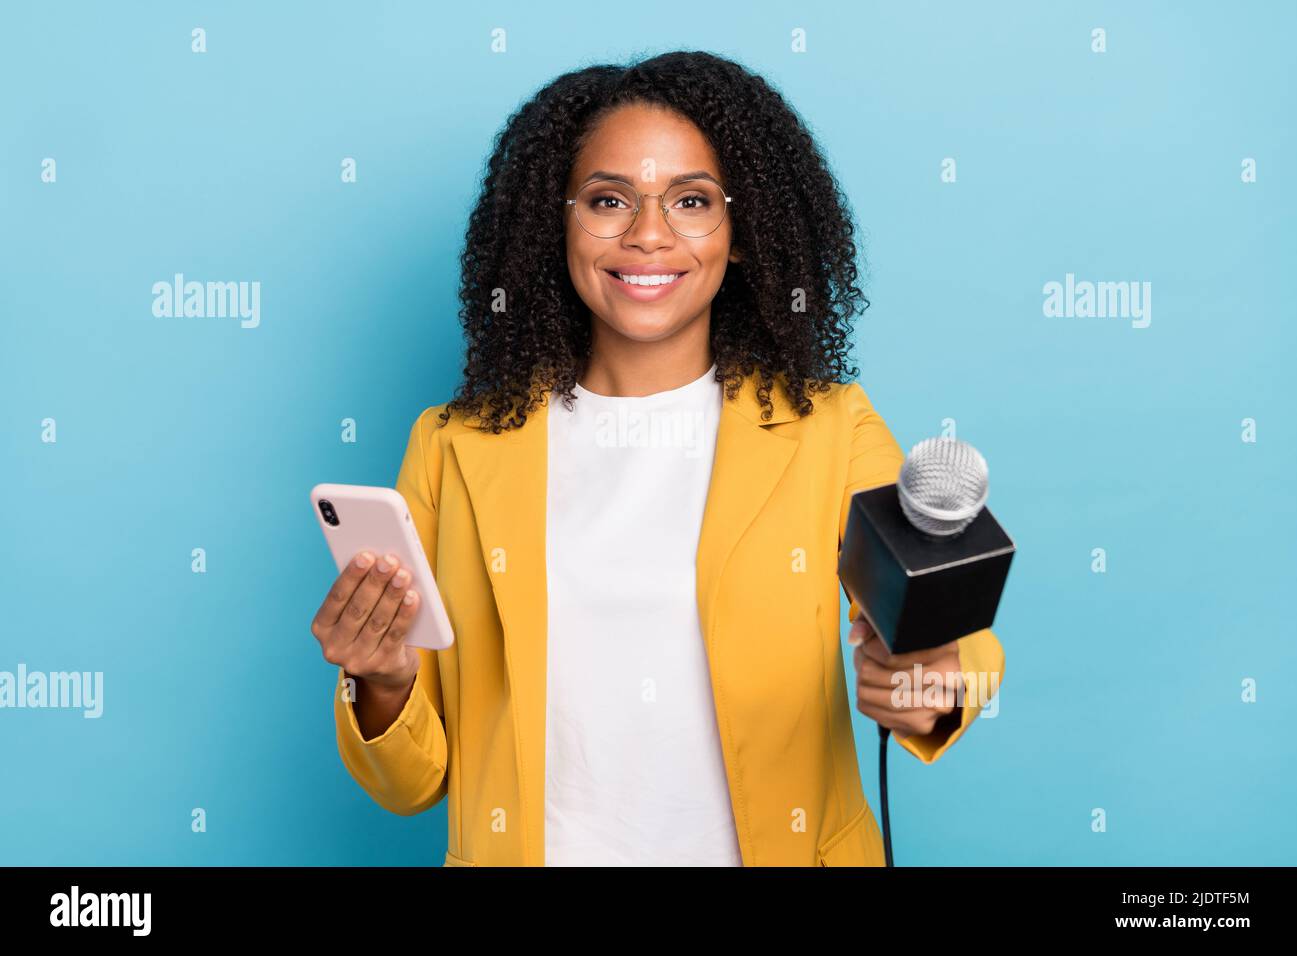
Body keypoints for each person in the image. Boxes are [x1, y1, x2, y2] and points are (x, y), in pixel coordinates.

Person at [310, 50, 1004, 866]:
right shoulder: (454, 446)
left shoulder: (828, 429)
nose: (648, 235)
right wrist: (381, 678)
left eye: (692, 201)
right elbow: (412, 783)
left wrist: (926, 683)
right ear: (553, 225)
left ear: (743, 236)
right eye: (609, 200)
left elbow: (962, 637)